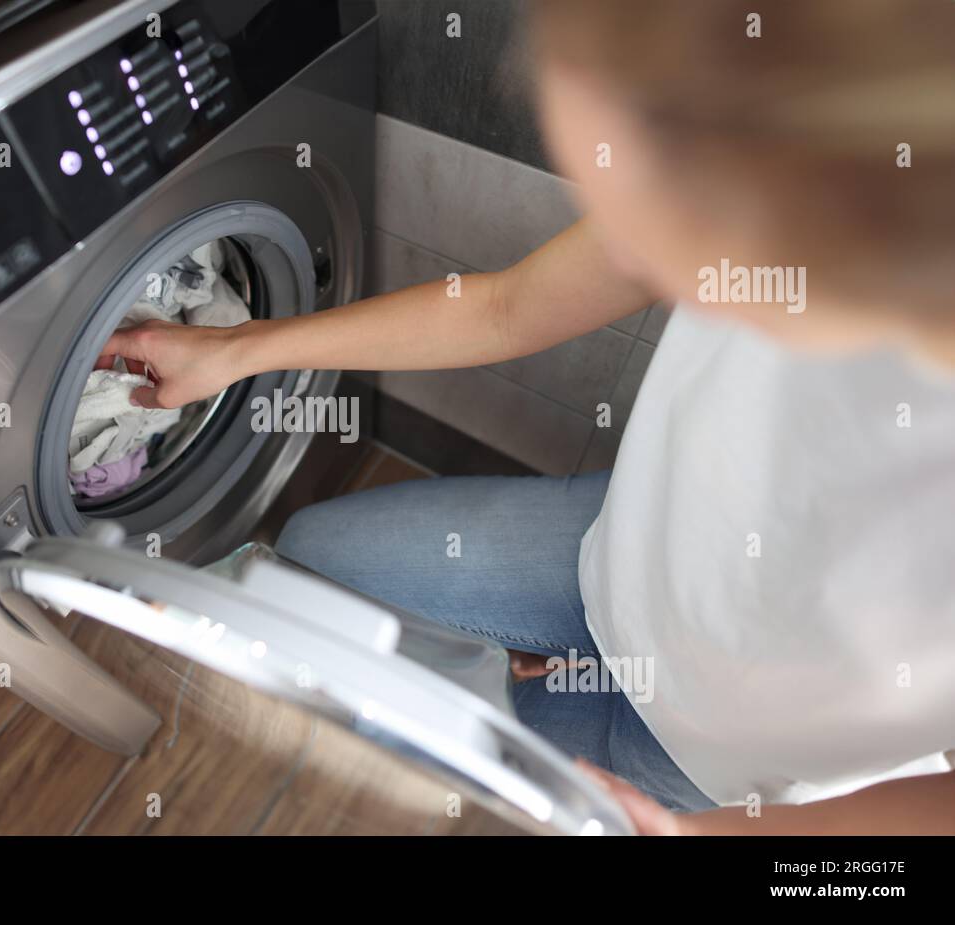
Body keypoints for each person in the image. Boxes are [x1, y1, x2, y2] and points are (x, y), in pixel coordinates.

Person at [96, 0, 955, 834]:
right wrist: (236, 349)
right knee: (312, 564)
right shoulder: (774, 154)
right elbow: (506, 308)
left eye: (662, 227)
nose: (644, 262)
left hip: (723, 772)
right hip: (617, 556)